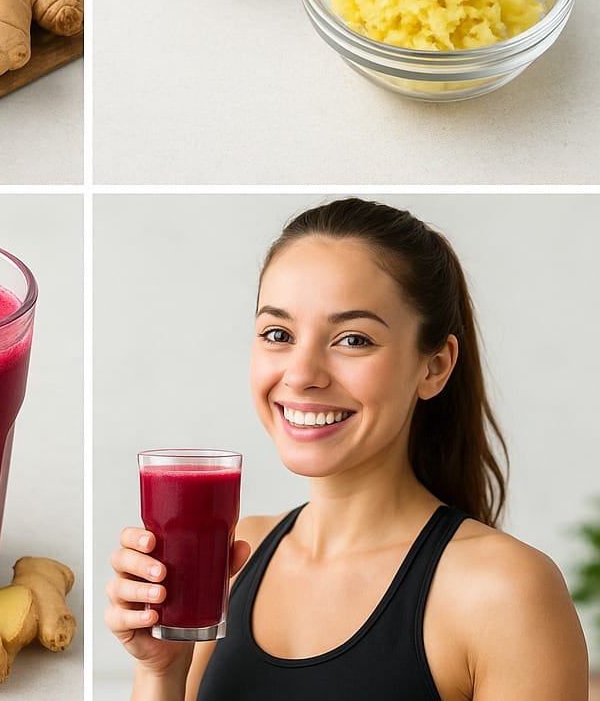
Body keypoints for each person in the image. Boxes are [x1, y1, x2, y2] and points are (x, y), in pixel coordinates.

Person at [106, 197, 588, 700]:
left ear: (435, 366)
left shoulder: (506, 591)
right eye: (278, 334)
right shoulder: (233, 558)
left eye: (353, 339)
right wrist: (161, 670)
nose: (301, 374)